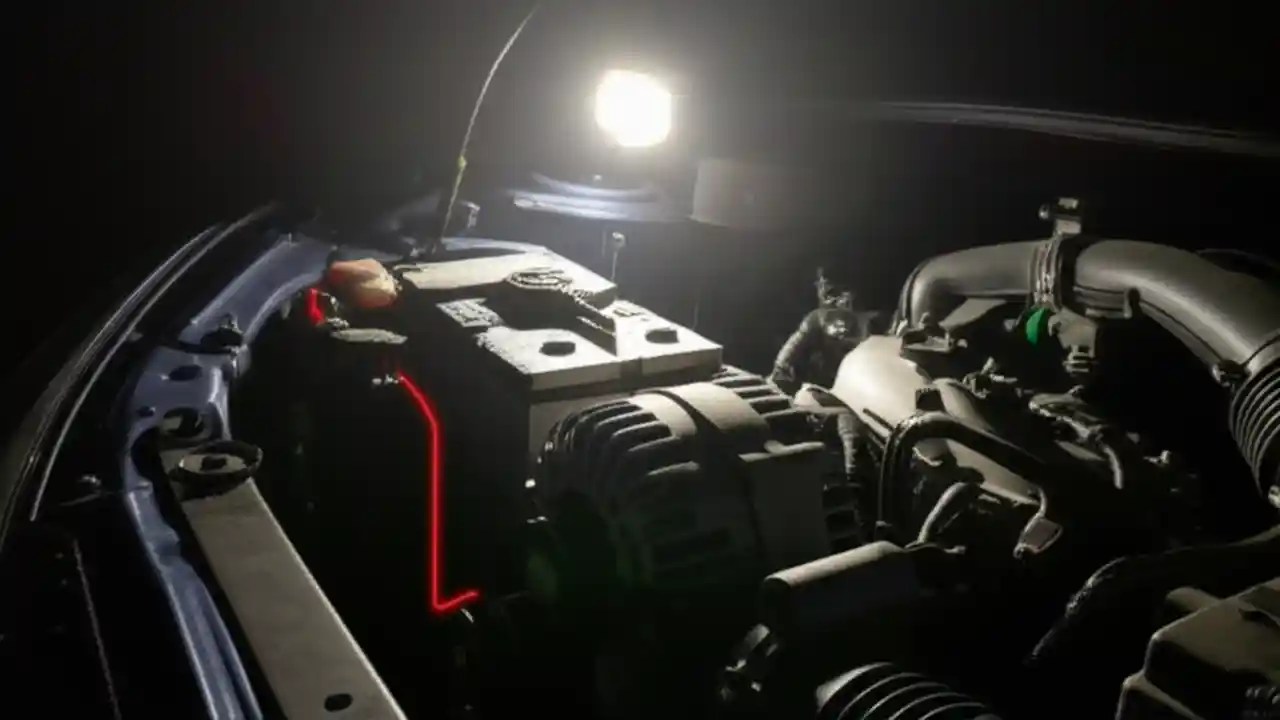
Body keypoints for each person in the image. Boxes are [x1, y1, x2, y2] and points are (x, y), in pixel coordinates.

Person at [768, 267, 886, 395]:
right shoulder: (817, 319)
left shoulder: (877, 321)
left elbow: (784, 363)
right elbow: (785, 363)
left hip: (865, 393)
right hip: (830, 396)